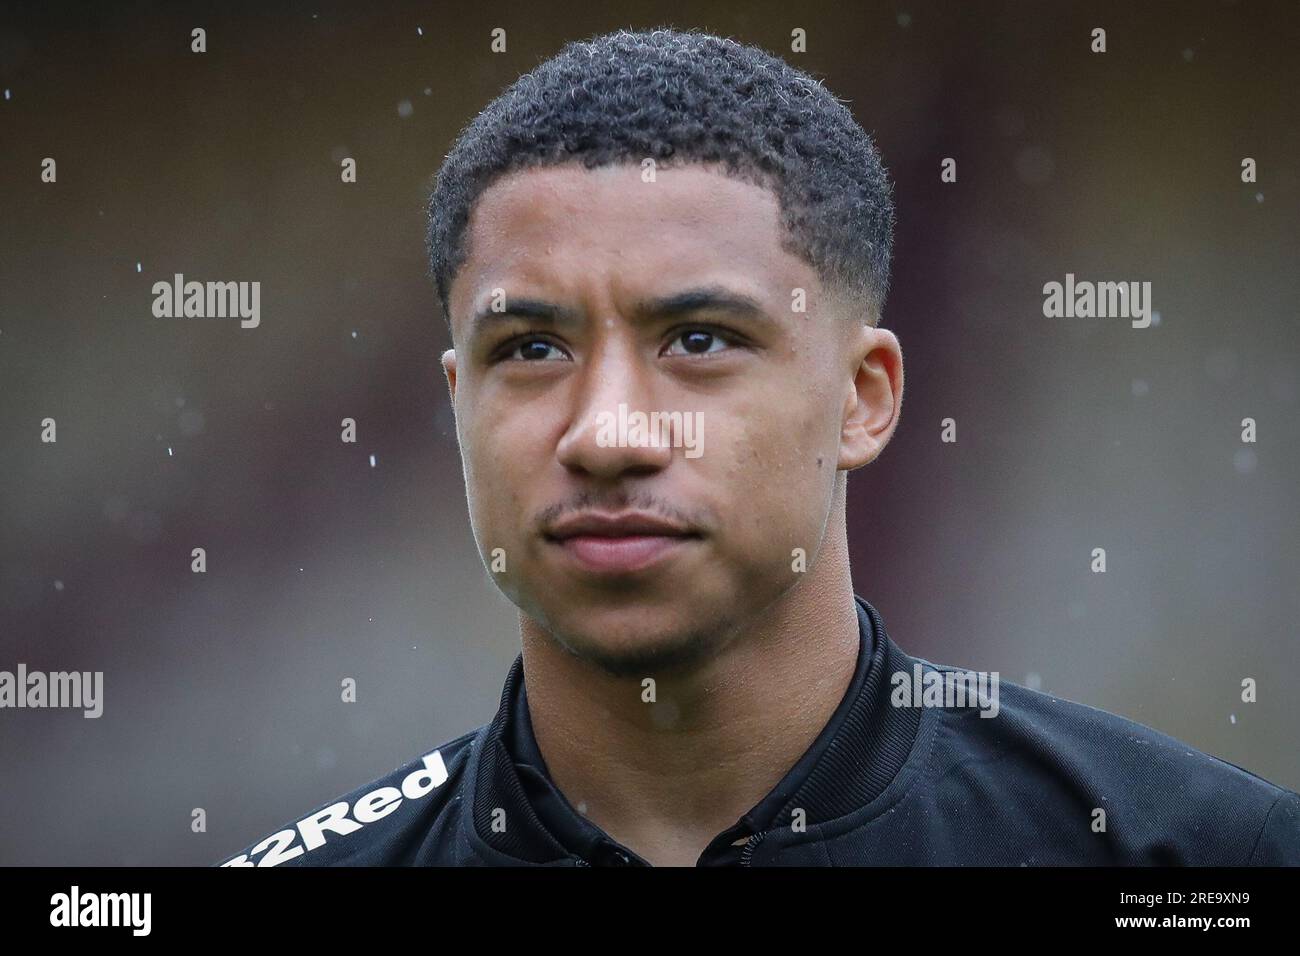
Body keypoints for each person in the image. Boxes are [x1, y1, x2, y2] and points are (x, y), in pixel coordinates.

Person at [219, 27, 1298, 867]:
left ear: (862, 398)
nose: (607, 434)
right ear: (459, 401)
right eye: (532, 345)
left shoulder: (1193, 854)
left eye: (698, 338)